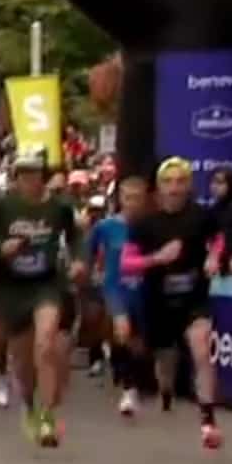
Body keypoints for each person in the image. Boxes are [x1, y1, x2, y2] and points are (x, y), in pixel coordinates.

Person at [0, 150, 83, 448]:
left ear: (43, 176)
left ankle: (48, 415)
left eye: (33, 174)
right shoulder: (0, 206)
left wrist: (78, 261)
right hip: (11, 287)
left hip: (46, 283)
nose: (28, 180)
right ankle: (29, 404)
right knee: (22, 361)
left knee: (45, 343)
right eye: (22, 174)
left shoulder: (59, 208)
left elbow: (76, 238)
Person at [131, 157, 225, 450]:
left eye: (181, 182)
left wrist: (213, 257)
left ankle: (208, 421)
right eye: (168, 182)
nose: (174, 188)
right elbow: (127, 263)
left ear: (189, 186)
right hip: (158, 298)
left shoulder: (201, 215)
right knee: (165, 362)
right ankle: (167, 392)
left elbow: (219, 238)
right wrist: (157, 259)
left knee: (201, 348)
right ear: (158, 188)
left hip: (194, 296)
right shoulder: (145, 223)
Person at [90, 173, 149, 418]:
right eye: (128, 198)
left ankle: (137, 381)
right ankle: (128, 389)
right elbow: (89, 251)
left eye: (137, 198)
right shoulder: (106, 227)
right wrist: (90, 270)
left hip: (144, 289)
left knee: (138, 344)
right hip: (116, 288)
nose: (132, 203)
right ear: (120, 199)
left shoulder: (152, 226)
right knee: (121, 331)